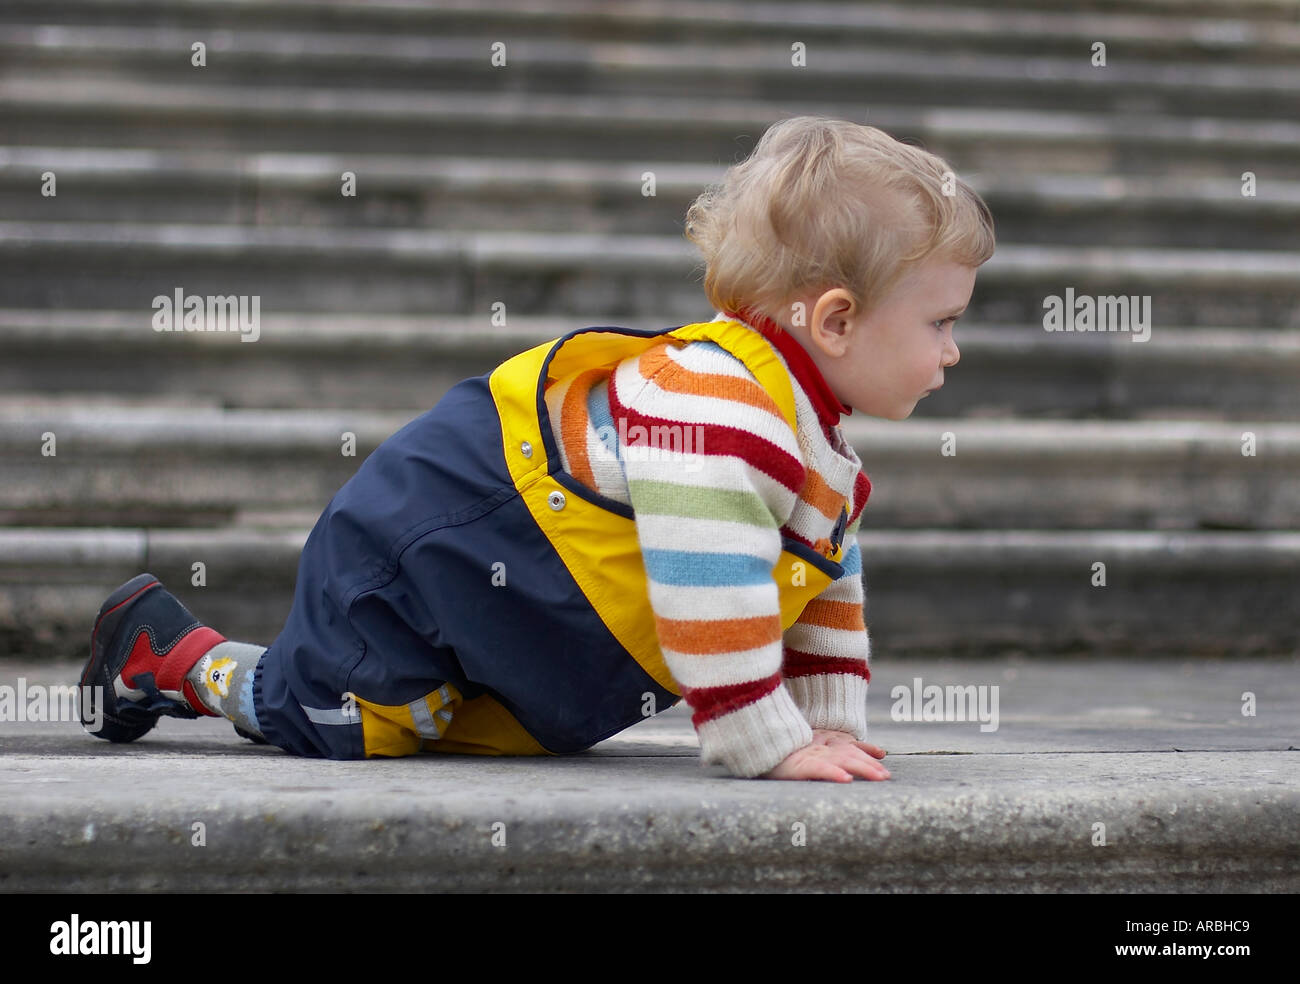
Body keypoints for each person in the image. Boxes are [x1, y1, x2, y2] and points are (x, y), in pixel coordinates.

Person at [80, 116, 994, 782]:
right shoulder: (723, 404)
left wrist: (827, 728)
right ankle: (171, 654)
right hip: (414, 563)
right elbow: (710, 580)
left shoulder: (810, 431)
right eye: (942, 322)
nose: (952, 351)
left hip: (515, 621)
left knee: (452, 735)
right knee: (337, 717)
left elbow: (818, 584)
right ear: (835, 319)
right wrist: (768, 741)